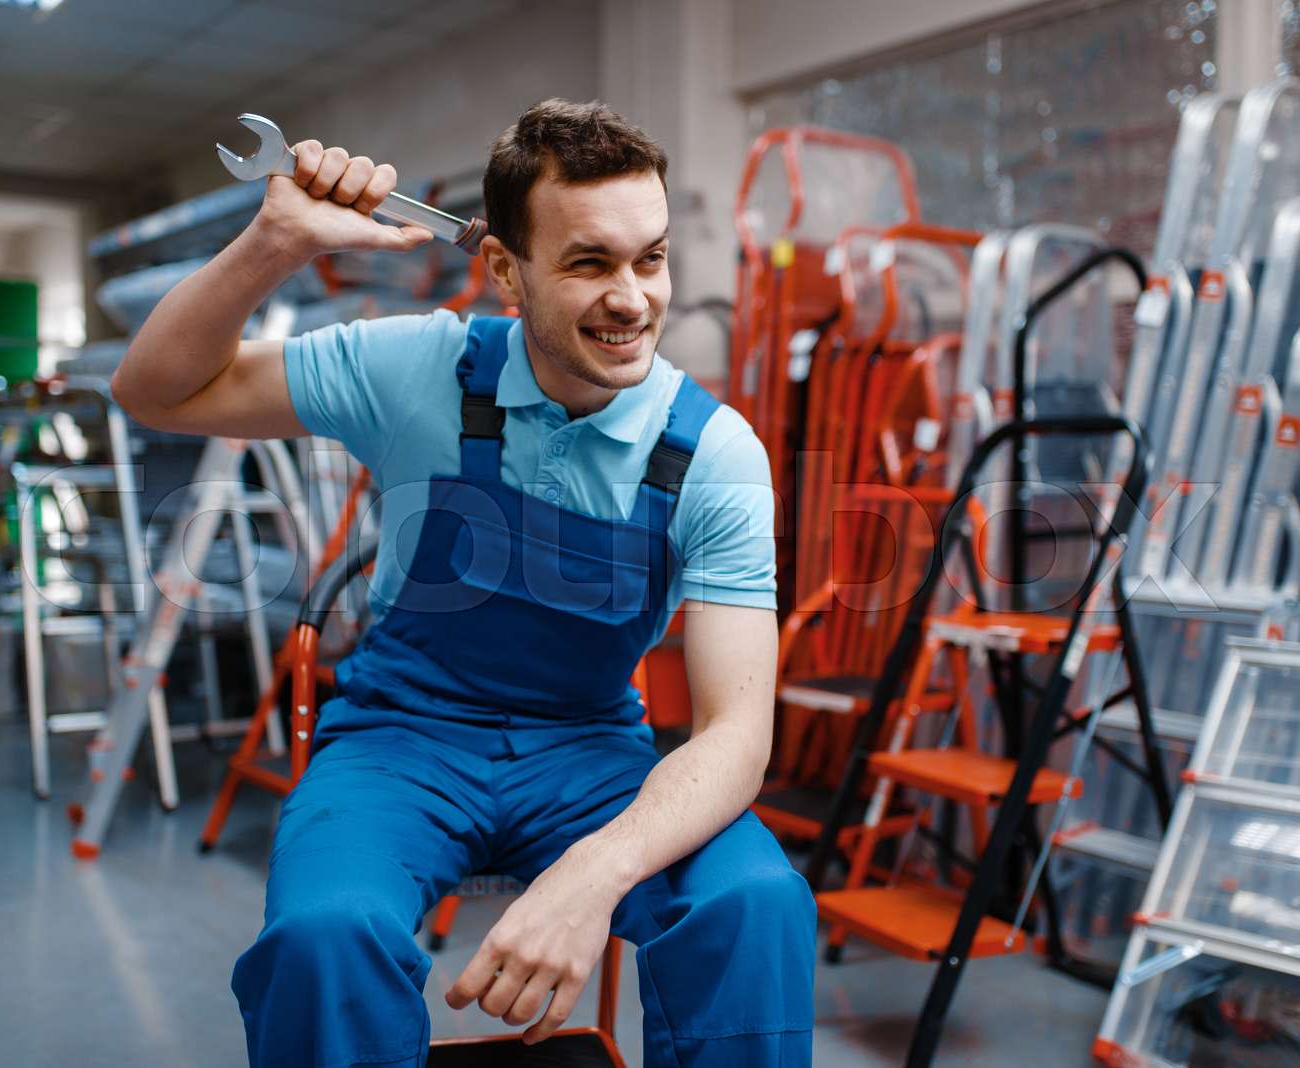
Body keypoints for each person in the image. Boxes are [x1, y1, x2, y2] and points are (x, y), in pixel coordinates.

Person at [111, 98, 815, 1068]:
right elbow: (153, 389)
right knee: (325, 937)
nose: (631, 298)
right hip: (401, 739)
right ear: (504, 273)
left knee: (755, 905)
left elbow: (737, 734)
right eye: (586, 263)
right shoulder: (418, 371)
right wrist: (273, 243)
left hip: (588, 755)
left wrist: (590, 874)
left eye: (648, 258)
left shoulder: (711, 452)